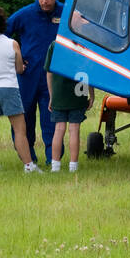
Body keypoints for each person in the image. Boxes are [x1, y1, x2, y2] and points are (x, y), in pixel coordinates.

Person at [7, 0, 63, 166]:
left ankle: (52, 159)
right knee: (24, 117)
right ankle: (28, 158)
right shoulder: (25, 14)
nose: (45, 1)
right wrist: (13, 58)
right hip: (27, 75)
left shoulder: (66, 12)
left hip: (53, 76)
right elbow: (1, 32)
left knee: (53, 117)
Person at [0, 7, 39, 174]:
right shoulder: (12, 43)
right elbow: (19, 69)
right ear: (3, 23)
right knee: (20, 130)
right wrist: (21, 65)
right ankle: (28, 165)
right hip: (9, 88)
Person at [46, 39, 94, 173]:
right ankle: (73, 166)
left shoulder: (55, 44)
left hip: (59, 93)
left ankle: (55, 166)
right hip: (79, 92)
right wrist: (91, 94)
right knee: (74, 130)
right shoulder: (85, 44)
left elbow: (49, 72)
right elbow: (88, 72)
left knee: (59, 129)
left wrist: (52, 96)